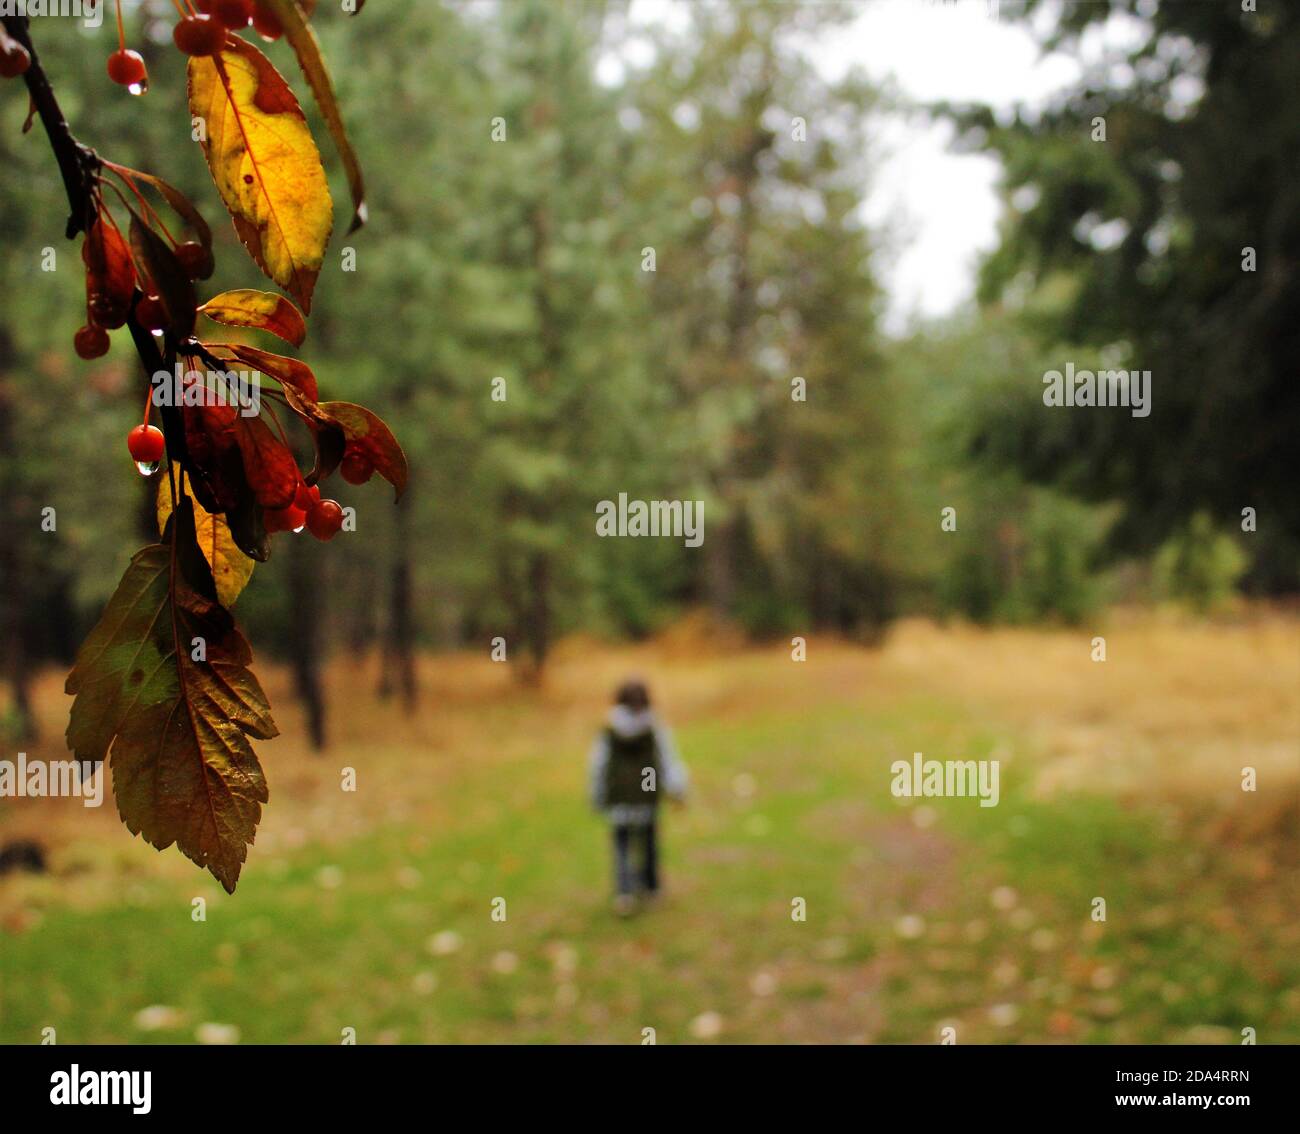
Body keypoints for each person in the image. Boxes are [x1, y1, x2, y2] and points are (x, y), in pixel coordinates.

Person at [588, 678, 687, 915]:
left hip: (619, 797)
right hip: (646, 795)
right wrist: (677, 789)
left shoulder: (609, 730)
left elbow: (597, 765)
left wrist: (597, 794)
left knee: (622, 844)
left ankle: (624, 893)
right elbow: (667, 759)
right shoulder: (654, 728)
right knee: (648, 842)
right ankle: (651, 887)